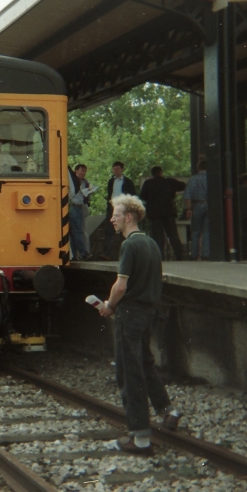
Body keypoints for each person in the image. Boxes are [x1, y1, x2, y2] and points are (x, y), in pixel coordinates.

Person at [97, 194, 182, 453]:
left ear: (128, 217)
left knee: (129, 372)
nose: (112, 219)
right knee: (144, 363)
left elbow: (121, 286)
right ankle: (168, 411)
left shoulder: (129, 246)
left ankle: (140, 438)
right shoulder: (152, 244)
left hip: (130, 313)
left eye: (116, 215)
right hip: (149, 313)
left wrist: (109, 305)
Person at [139, 166, 186, 260]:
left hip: (155, 213)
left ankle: (160, 257)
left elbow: (142, 196)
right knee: (173, 235)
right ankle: (180, 256)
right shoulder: (170, 182)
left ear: (152, 174)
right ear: (161, 172)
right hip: (169, 212)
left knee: (158, 236)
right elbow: (184, 186)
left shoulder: (148, 183)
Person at [104, 162, 137, 258]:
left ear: (122, 169)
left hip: (123, 208)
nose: (115, 171)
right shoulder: (111, 181)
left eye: (117, 169)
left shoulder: (128, 182)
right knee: (109, 230)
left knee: (124, 229)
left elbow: (132, 195)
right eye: (114, 169)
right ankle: (107, 253)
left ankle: (125, 252)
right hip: (112, 208)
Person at [183, 160, 209, 260]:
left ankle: (194, 254)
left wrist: (188, 209)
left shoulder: (193, 179)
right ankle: (206, 254)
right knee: (207, 231)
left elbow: (187, 196)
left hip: (197, 205)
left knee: (195, 232)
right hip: (209, 205)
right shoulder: (211, 179)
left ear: (198, 168)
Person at [68, 164, 90, 261]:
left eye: (84, 171)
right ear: (76, 171)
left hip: (81, 206)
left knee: (74, 232)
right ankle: (83, 252)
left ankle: (73, 255)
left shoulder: (85, 182)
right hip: (74, 206)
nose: (83, 173)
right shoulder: (72, 181)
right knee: (77, 231)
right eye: (81, 170)